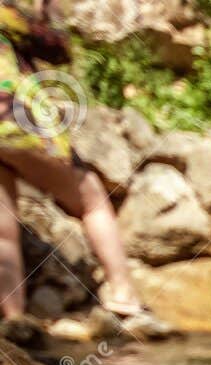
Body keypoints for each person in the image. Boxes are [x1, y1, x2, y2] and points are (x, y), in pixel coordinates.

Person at [0, 0, 169, 342]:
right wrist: (49, 10)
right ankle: (125, 300)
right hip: (16, 118)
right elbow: (56, 46)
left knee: (3, 223)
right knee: (91, 198)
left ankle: (14, 317)